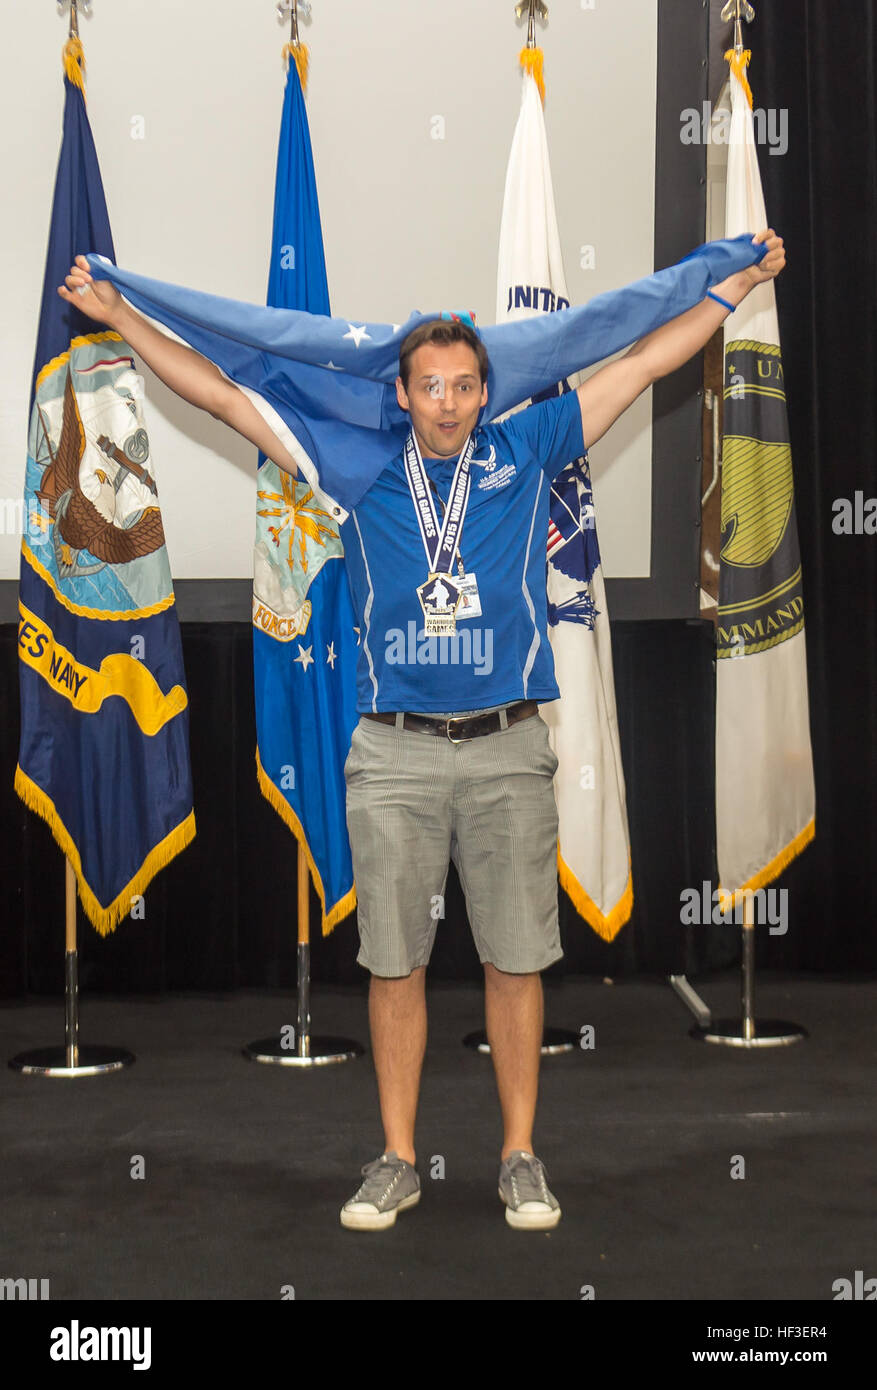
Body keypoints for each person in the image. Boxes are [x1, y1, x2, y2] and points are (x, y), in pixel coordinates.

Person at [59, 229, 785, 1231]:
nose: (446, 401)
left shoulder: (529, 447)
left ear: (485, 392)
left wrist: (728, 287)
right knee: (392, 962)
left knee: (515, 959)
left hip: (506, 750)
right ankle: (397, 1157)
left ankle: (520, 1155)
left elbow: (643, 358)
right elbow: (224, 396)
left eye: (462, 385)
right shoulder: (356, 464)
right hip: (392, 751)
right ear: (400, 393)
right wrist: (124, 321)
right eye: (429, 386)